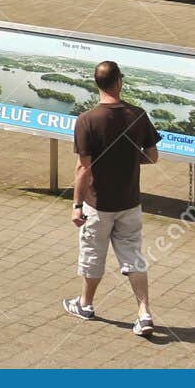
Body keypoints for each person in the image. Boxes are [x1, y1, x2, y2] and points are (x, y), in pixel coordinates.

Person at [64, 60, 161, 336]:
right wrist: (128, 160)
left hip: (98, 204)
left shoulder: (87, 120)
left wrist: (76, 205)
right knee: (133, 256)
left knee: (93, 254)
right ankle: (144, 313)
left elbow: (83, 168)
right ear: (119, 81)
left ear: (97, 83)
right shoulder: (138, 115)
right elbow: (152, 156)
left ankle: (85, 304)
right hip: (130, 202)